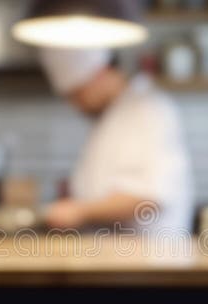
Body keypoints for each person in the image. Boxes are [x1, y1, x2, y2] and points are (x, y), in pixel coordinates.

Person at [41, 47, 194, 235]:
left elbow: (150, 198)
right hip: (118, 256)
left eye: (77, 94)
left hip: (150, 258)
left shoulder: (147, 110)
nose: (76, 105)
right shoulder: (113, 117)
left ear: (99, 75)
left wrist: (79, 211)